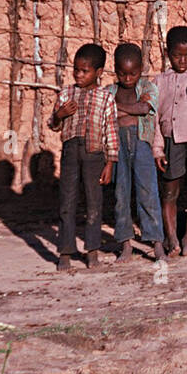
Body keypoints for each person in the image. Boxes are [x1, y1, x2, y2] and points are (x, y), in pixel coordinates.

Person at [50, 43, 118, 271]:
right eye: (76, 70)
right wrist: (59, 115)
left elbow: (111, 130)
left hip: (94, 155)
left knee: (94, 202)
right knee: (67, 202)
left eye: (84, 70)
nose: (78, 75)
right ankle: (66, 252)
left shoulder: (105, 98)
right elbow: (54, 126)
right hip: (70, 153)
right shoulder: (66, 93)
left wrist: (110, 162)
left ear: (98, 73)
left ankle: (92, 251)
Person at [153, 26, 187, 256]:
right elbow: (153, 117)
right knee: (170, 192)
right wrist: (158, 149)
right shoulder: (159, 81)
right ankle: (172, 238)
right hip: (171, 141)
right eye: (177, 55)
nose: (182, 60)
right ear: (168, 53)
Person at [108, 42, 164, 262]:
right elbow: (108, 113)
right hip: (117, 147)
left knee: (148, 192)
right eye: (122, 73)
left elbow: (144, 108)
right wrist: (127, 112)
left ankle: (157, 242)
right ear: (115, 69)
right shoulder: (110, 91)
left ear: (141, 69)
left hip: (142, 144)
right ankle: (125, 244)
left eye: (133, 73)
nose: (128, 78)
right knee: (121, 195)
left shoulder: (148, 88)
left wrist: (118, 109)